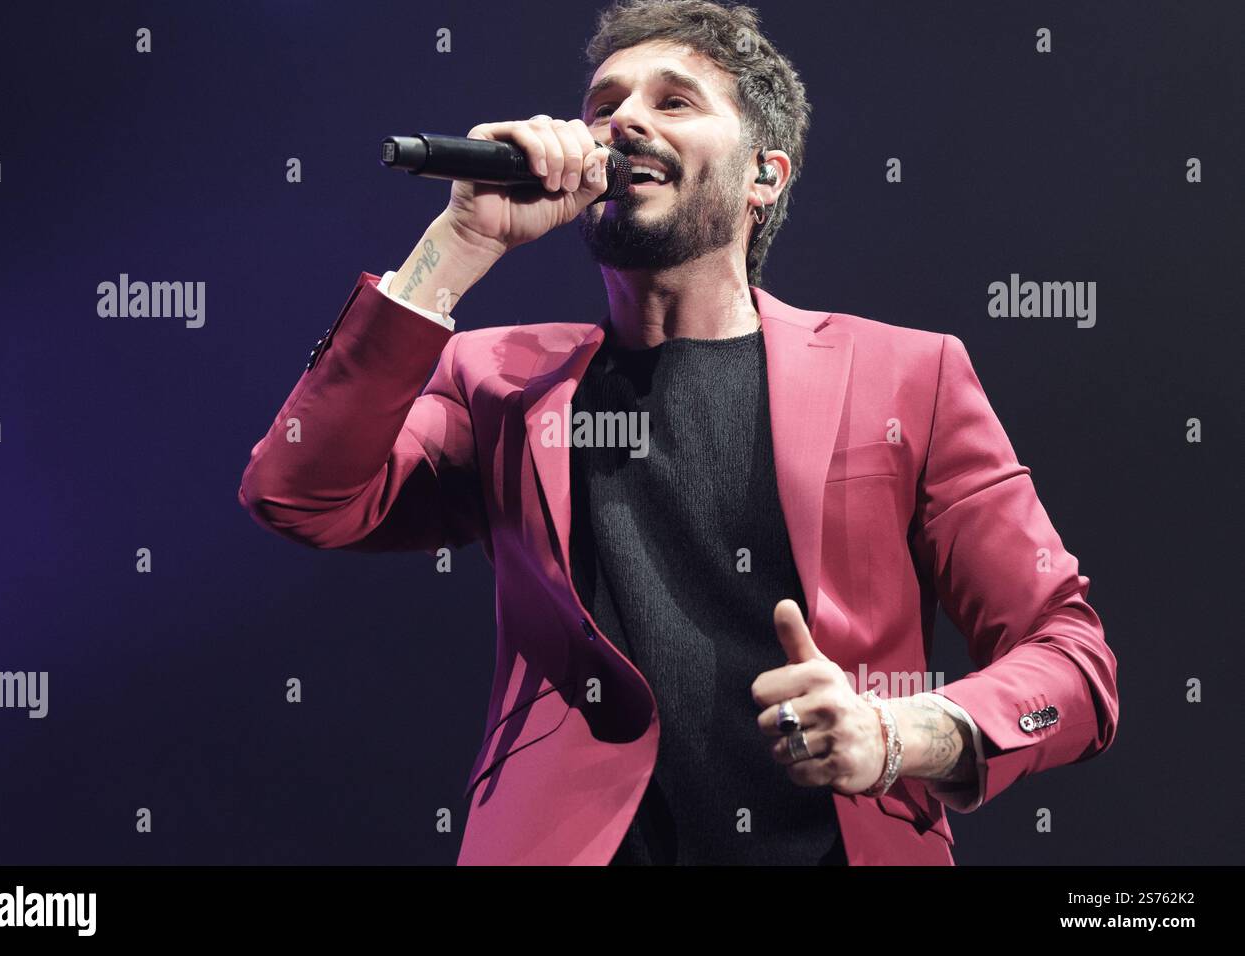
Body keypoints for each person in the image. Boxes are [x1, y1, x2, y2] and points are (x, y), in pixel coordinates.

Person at [237, 0, 1118, 865]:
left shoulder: (907, 377)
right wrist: (459, 242)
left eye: (673, 101)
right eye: (603, 106)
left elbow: (1072, 660)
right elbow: (299, 495)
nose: (622, 123)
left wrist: (902, 731)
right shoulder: (501, 380)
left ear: (763, 179)